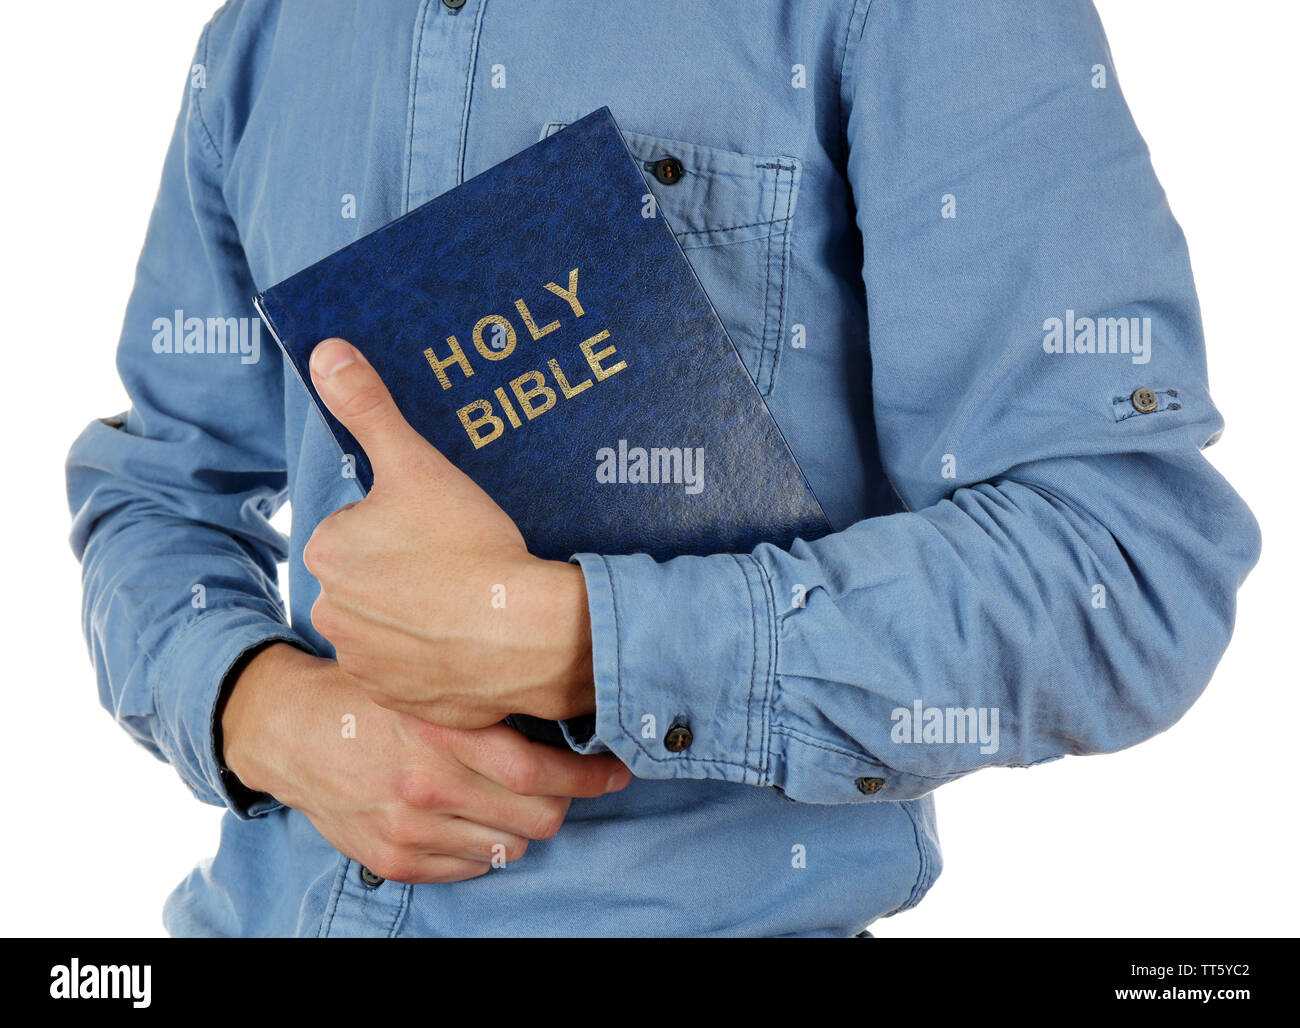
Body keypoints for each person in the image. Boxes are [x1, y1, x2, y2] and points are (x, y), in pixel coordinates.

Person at [66, 0, 1260, 937]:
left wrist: (584, 636)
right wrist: (265, 709)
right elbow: (159, 486)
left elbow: (1126, 560)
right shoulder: (263, 35)